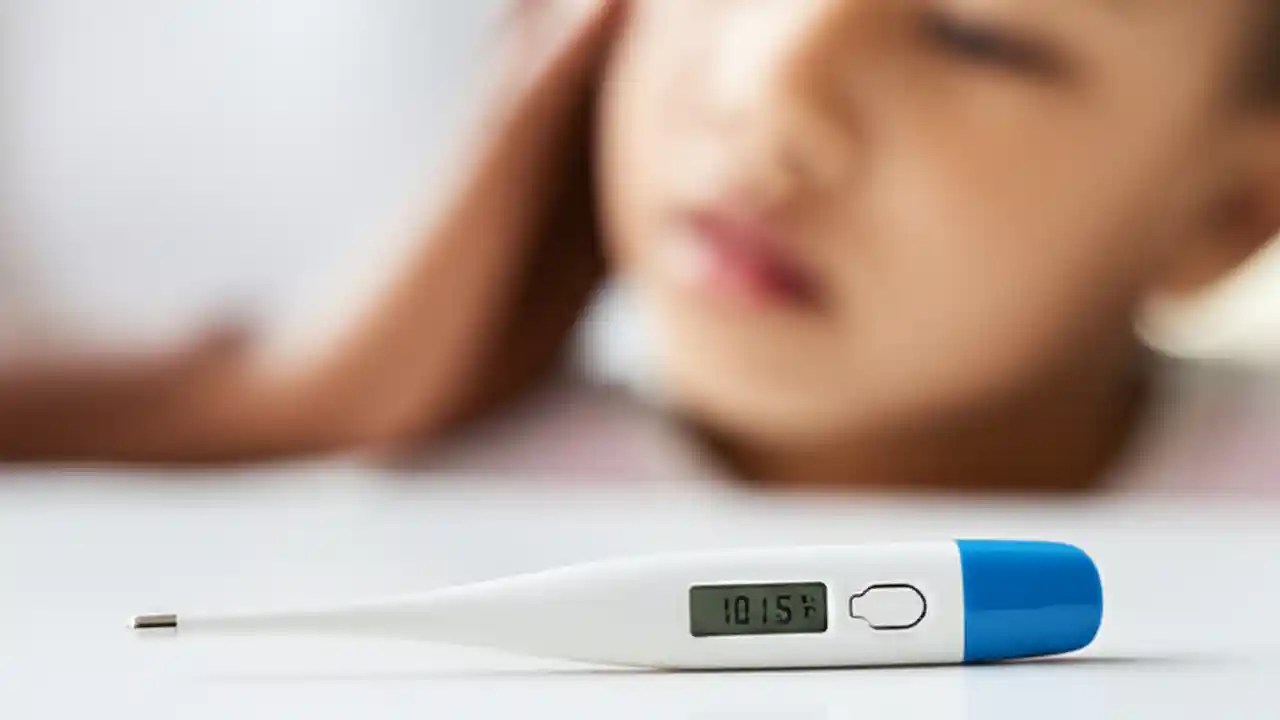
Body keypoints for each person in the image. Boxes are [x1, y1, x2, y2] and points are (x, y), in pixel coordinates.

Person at [2, 0, 1278, 492]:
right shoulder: (427, 494)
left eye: (974, 36)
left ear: (1225, 213)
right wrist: (298, 403)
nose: (770, 95)